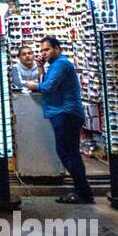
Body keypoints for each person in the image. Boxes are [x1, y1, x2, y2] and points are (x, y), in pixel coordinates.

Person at [25, 35, 93, 204]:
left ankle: (83, 192)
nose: (44, 53)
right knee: (69, 153)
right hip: (62, 113)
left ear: (58, 49)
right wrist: (41, 68)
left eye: (47, 49)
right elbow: (47, 82)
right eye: (41, 51)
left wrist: (34, 86)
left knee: (67, 153)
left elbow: (47, 87)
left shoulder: (61, 64)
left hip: (66, 114)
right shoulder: (55, 65)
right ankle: (82, 191)